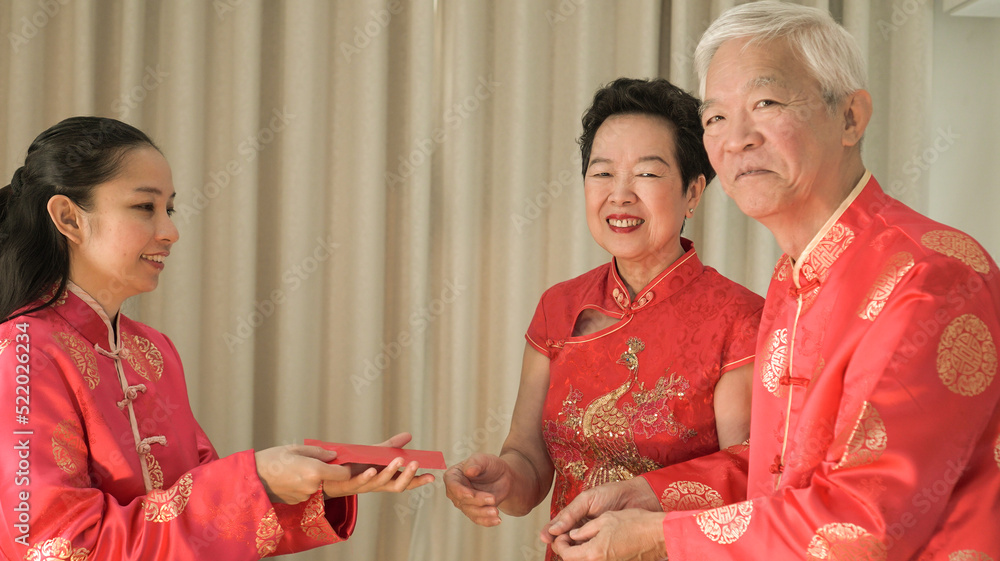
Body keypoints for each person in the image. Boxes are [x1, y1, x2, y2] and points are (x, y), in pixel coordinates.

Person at [542, 3, 1000, 560]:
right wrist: (647, 495)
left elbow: (863, 524)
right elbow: (776, 468)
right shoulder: (797, 275)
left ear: (851, 117)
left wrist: (658, 534)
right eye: (715, 118)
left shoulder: (927, 277)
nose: (736, 139)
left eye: (766, 103)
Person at [0, 116, 434, 560]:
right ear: (68, 217)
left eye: (170, 208)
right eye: (144, 207)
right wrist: (256, 479)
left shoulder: (152, 352)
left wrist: (313, 483)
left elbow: (207, 514)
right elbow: (54, 544)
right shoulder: (22, 353)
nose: (170, 231)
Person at [445, 78, 764, 560]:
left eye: (648, 175)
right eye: (602, 173)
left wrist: (644, 499)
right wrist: (503, 480)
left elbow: (750, 472)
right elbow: (530, 460)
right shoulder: (560, 306)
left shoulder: (738, 316)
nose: (620, 195)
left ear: (693, 192)